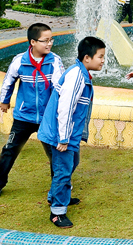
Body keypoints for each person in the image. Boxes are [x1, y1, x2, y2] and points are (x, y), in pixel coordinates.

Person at [0, 23, 64, 200]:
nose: (49, 44)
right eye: (45, 40)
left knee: (55, 153)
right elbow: (8, 81)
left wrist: (58, 112)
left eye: (51, 40)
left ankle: (59, 185)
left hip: (47, 117)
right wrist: (4, 101)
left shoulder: (54, 61)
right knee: (10, 149)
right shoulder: (19, 61)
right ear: (33, 42)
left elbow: (60, 87)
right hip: (24, 116)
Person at [38, 36, 106, 228]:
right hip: (60, 134)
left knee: (72, 163)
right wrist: (63, 138)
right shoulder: (76, 76)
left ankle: (54, 196)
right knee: (63, 171)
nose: (103, 60)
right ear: (87, 58)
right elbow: (65, 108)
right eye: (100, 56)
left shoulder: (82, 73)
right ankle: (57, 212)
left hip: (67, 134)